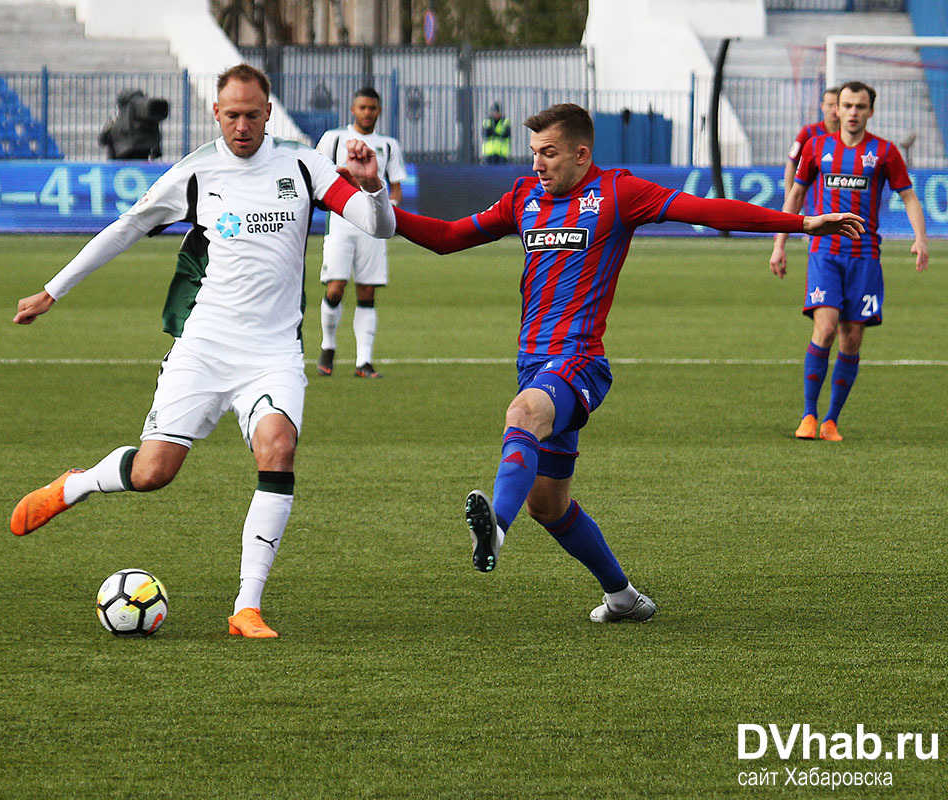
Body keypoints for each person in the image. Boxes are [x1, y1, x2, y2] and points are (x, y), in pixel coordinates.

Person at [390, 103, 863, 622]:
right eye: (534, 154)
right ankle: (622, 597)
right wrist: (377, 211)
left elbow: (706, 211)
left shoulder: (618, 192)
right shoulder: (524, 198)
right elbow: (447, 237)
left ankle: (495, 531)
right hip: (534, 363)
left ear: (581, 153)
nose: (538, 165)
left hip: (579, 361)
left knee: (522, 414)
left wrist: (801, 223)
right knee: (548, 506)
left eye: (548, 154)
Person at [8, 64, 395, 638]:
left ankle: (247, 606)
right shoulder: (197, 172)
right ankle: (78, 483)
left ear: (268, 112)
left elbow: (379, 226)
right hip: (205, 348)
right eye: (231, 115)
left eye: (253, 114)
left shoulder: (302, 164)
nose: (242, 126)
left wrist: (372, 184)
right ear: (217, 113)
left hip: (273, 353)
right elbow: (126, 227)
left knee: (278, 448)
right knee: (153, 473)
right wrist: (51, 290)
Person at [770, 81, 928, 442]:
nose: (853, 112)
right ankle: (808, 415)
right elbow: (796, 194)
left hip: (865, 257)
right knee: (825, 328)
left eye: (860, 106)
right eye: (847, 105)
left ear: (871, 111)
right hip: (824, 253)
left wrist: (920, 239)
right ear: (835, 109)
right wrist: (780, 244)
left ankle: (831, 420)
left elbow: (909, 197)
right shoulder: (816, 147)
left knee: (851, 338)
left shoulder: (885, 152)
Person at [314, 87, 407, 379]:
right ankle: (328, 345)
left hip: (373, 230)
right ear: (352, 110)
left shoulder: (388, 145)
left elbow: (396, 187)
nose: (367, 113)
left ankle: (363, 362)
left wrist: (387, 209)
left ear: (379, 111)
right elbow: (318, 176)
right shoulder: (334, 139)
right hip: (341, 224)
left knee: (367, 292)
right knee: (336, 287)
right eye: (362, 107)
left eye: (373, 108)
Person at [784, 86, 840, 198]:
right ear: (822, 106)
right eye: (830, 105)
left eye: (837, 105)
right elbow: (792, 163)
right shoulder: (808, 132)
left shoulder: (851, 136)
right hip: (814, 203)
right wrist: (789, 196)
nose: (834, 110)